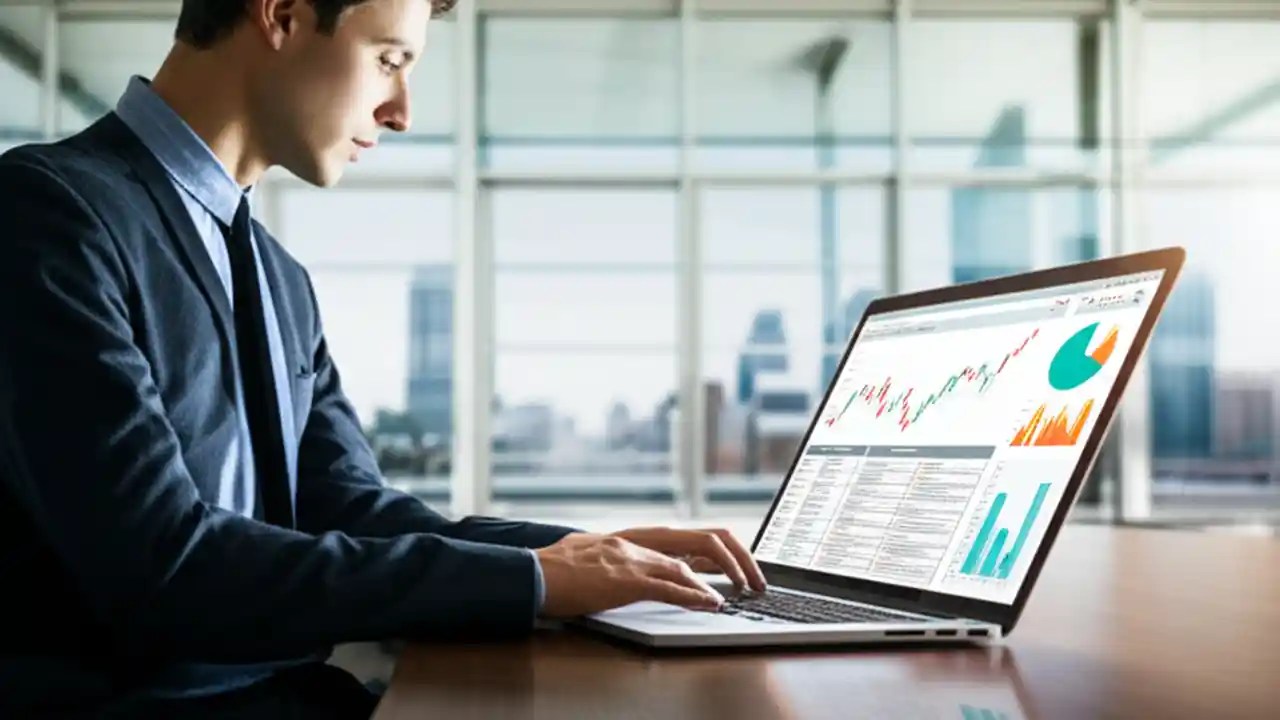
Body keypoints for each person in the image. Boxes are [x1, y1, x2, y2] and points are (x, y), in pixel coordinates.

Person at [0, 0, 766, 715]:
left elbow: (350, 509)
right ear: (283, 14)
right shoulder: (48, 214)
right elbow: (163, 564)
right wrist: (534, 580)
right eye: (389, 60)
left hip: (286, 690)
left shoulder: (280, 278)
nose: (401, 112)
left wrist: (577, 552)